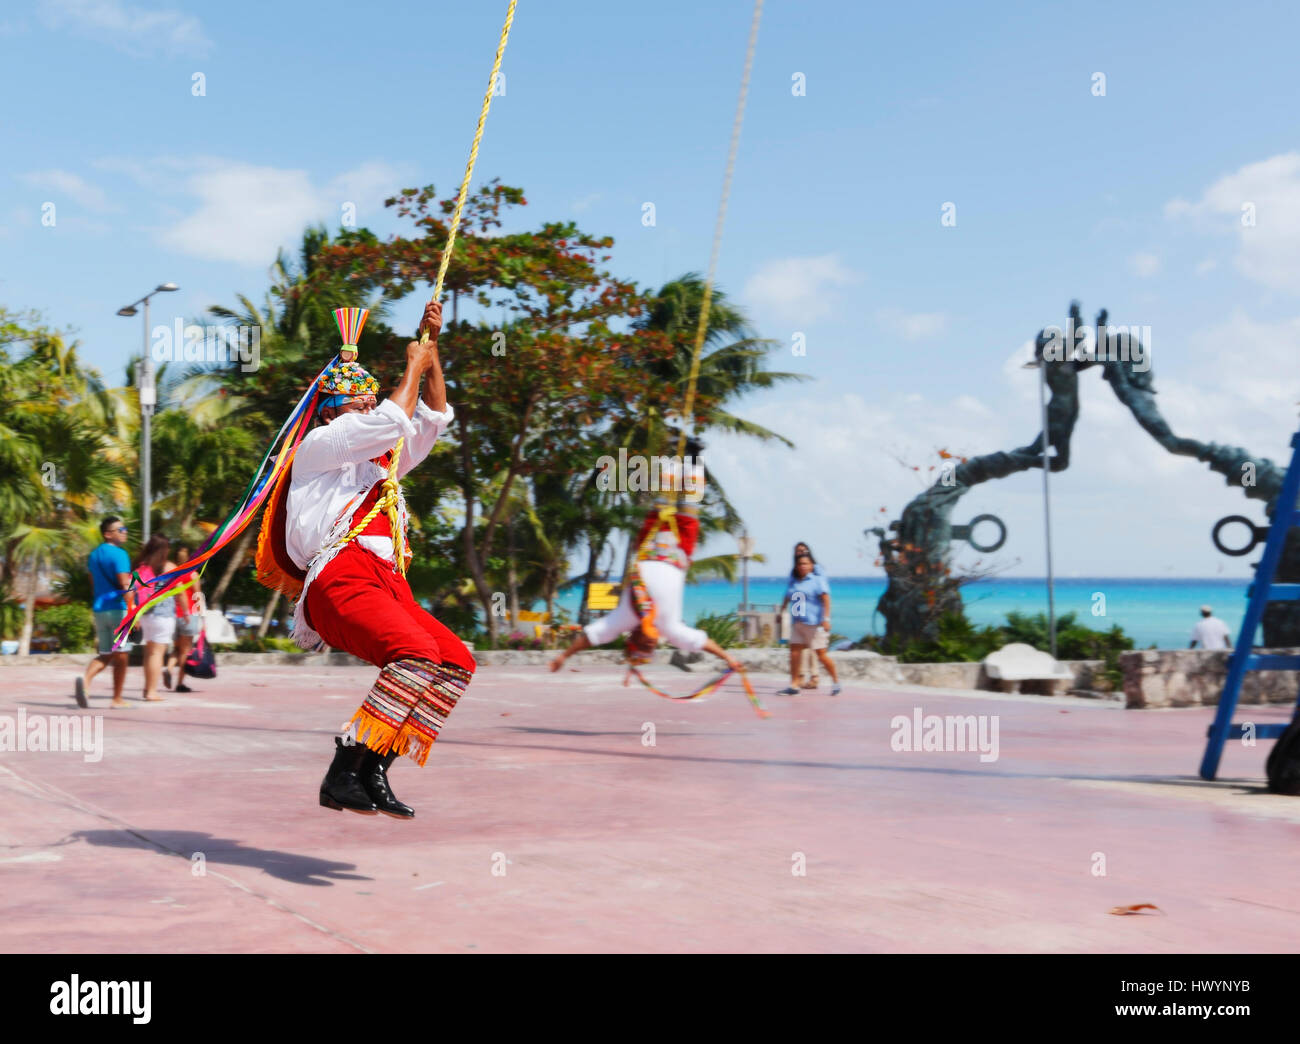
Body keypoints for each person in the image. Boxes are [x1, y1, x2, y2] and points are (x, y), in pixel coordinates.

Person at [256, 301, 468, 819]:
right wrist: (411, 367)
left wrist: (431, 351)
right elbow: (394, 417)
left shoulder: (381, 457)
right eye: (358, 401)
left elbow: (432, 417)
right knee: (415, 653)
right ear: (331, 409)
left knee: (455, 662)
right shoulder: (318, 444)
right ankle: (342, 771)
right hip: (340, 572)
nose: (368, 405)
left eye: (370, 398)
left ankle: (373, 768)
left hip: (385, 579)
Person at [549, 439, 743, 676]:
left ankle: (674, 455)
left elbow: (592, 636)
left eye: (642, 646)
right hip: (679, 550)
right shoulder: (670, 629)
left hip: (651, 543)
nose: (649, 645)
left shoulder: (623, 618)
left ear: (632, 639)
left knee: (664, 497)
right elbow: (698, 642)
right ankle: (693, 456)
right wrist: (729, 658)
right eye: (649, 650)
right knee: (689, 502)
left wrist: (563, 655)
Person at [76, 516, 136, 708]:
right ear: (108, 534)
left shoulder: (94, 555)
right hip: (118, 610)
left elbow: (93, 583)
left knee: (105, 654)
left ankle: (85, 682)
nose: (125, 532)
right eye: (121, 530)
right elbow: (125, 583)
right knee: (122, 656)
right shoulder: (120, 554)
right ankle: (117, 699)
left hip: (100, 610)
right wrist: (133, 610)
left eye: (124, 529)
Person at [779, 552, 841, 696]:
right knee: (794, 653)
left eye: (806, 563)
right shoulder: (794, 581)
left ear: (812, 565)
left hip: (813, 624)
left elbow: (826, 599)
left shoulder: (817, 580)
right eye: (800, 564)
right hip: (798, 622)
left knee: (821, 655)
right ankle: (794, 685)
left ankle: (836, 681)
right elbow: (788, 596)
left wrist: (826, 619)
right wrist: (782, 611)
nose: (802, 566)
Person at [133, 534, 176, 703]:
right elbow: (179, 589)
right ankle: (151, 691)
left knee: (149, 653)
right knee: (157, 654)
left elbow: (132, 591)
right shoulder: (169, 567)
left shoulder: (140, 568)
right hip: (163, 616)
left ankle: (147, 688)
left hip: (145, 616)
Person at [165, 544, 203, 693]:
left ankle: (168, 668)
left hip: (174, 615)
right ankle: (180, 683)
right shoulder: (193, 574)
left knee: (177, 648)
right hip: (189, 615)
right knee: (185, 652)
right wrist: (202, 616)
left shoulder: (173, 573)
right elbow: (197, 596)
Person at [791, 542, 824, 688]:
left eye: (803, 551)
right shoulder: (795, 572)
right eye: (798, 551)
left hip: (813, 615)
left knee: (813, 647)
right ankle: (801, 675)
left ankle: (814, 677)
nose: (800, 553)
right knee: (799, 647)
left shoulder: (816, 570)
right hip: (798, 614)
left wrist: (824, 616)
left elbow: (822, 592)